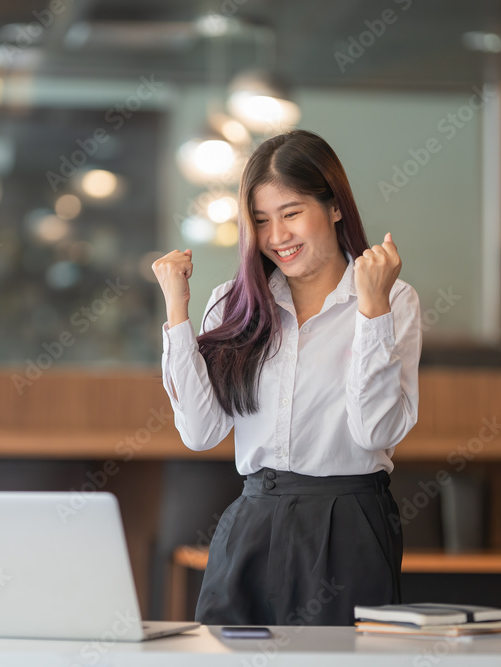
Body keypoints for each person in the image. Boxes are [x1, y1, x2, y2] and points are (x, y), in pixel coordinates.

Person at [151, 129, 421, 626]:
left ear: (335, 206)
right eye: (260, 220)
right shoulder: (231, 304)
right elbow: (200, 433)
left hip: (351, 523)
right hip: (254, 521)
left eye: (291, 213)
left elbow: (376, 432)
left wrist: (372, 309)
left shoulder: (393, 299)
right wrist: (176, 312)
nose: (277, 237)